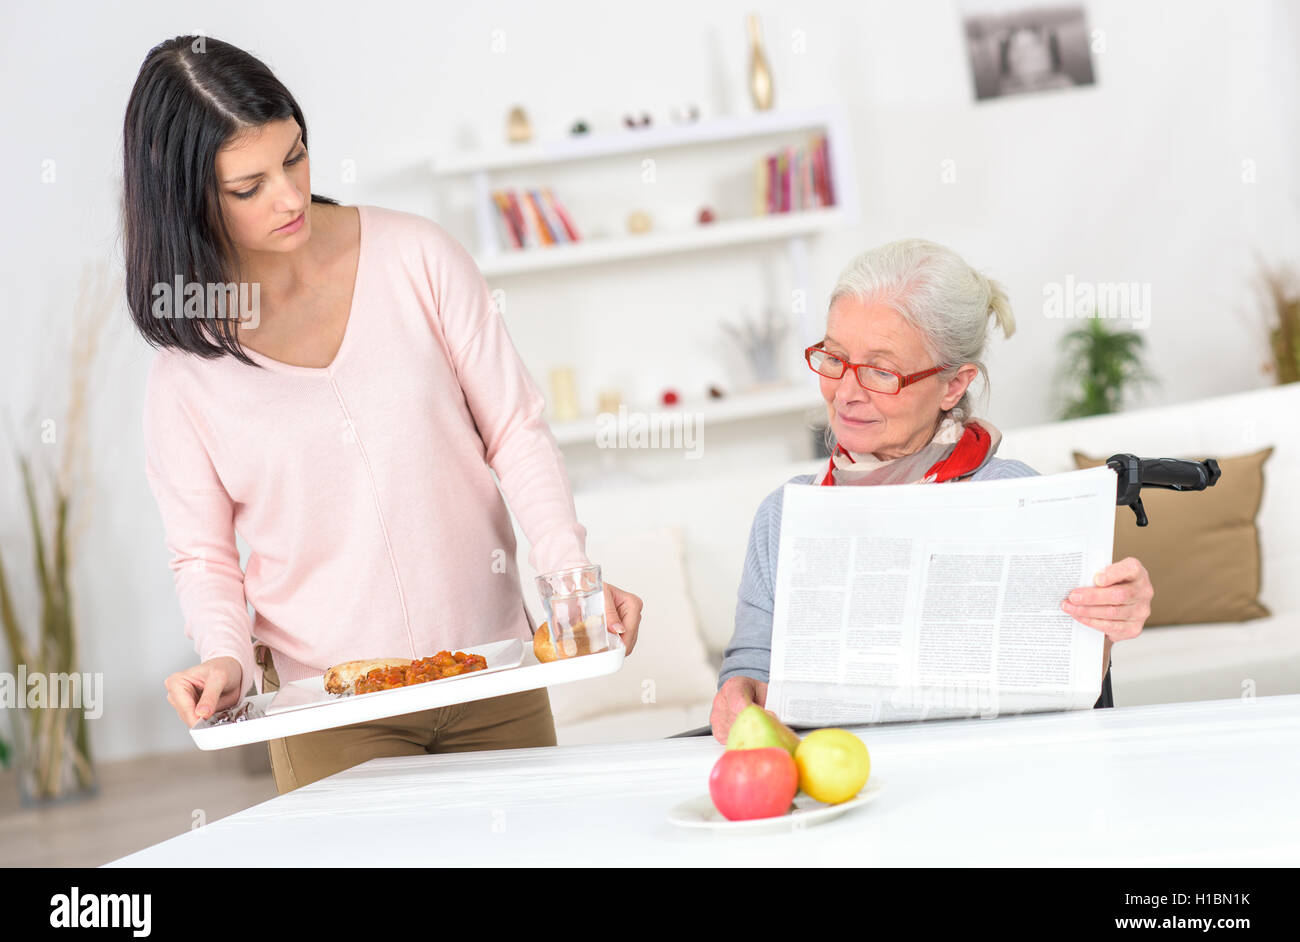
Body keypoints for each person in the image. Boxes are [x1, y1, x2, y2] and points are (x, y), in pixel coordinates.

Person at [123, 36, 642, 792]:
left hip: (490, 674)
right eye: (249, 186)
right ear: (186, 197)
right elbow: (203, 556)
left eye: (296, 157)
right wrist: (227, 658)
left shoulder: (419, 258)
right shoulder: (185, 371)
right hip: (328, 707)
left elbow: (516, 430)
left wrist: (571, 579)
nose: (292, 196)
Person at [710, 239, 1153, 743]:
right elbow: (749, 669)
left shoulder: (1020, 498)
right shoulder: (784, 514)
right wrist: (738, 693)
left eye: (881, 371)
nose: (847, 393)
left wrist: (1110, 620)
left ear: (952, 385)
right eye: (834, 358)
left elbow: (1072, 683)